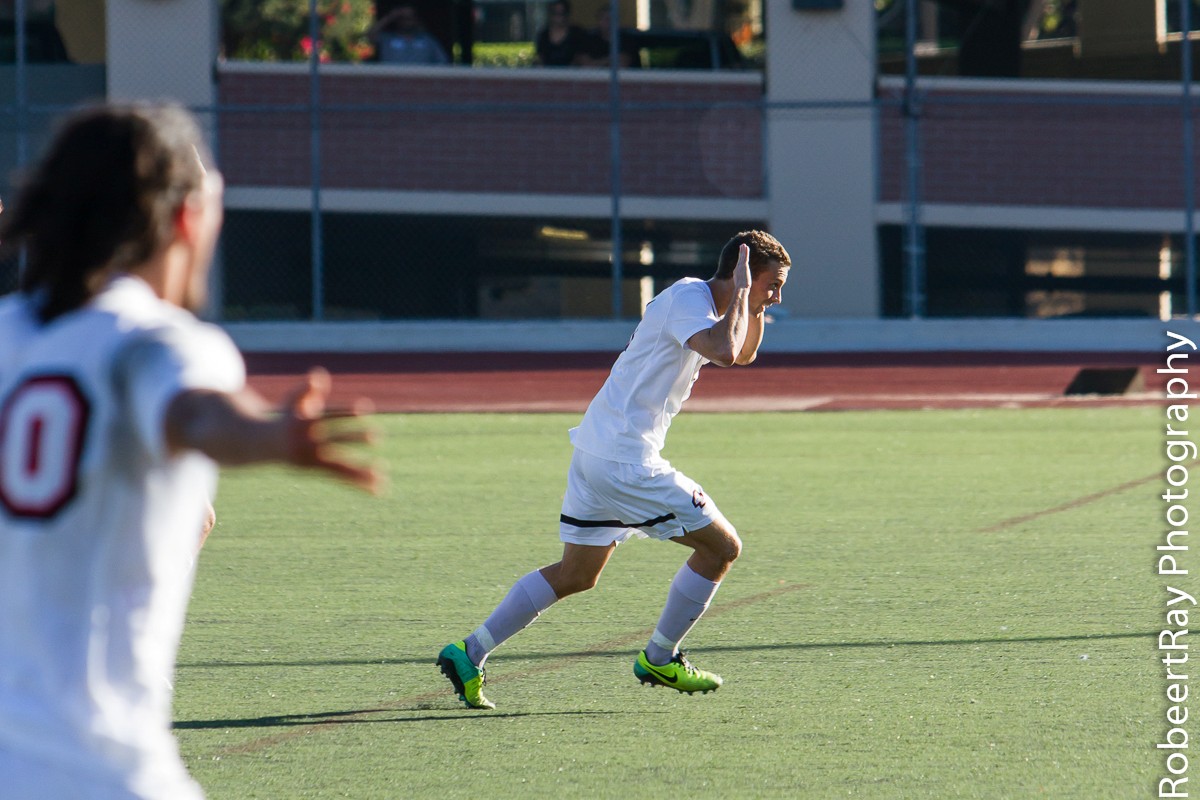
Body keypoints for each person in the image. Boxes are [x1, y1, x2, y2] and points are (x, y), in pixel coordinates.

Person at [0, 103, 379, 799]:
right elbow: (196, 415)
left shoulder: (9, 334)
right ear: (185, 219)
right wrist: (268, 436)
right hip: (99, 775)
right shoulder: (158, 341)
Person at [437, 230, 791, 709]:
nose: (778, 295)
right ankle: (660, 656)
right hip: (626, 460)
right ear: (740, 272)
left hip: (597, 452)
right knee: (722, 547)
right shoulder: (689, 296)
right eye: (774, 283)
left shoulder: (712, 306)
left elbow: (743, 353)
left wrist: (755, 304)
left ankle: (468, 651)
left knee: (576, 573)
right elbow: (726, 351)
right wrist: (746, 294)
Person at [368, 1, 449, 65]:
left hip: (421, 83)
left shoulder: (428, 40)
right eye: (403, 18)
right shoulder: (387, 38)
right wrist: (391, 16)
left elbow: (443, 63)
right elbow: (370, 35)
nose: (406, 22)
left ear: (416, 19)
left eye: (410, 18)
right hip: (392, 83)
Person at [574, 3, 641, 68]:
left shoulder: (627, 40)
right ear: (598, 21)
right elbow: (585, 65)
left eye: (612, 19)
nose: (608, 22)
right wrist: (611, 60)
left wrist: (596, 63)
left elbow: (623, 64)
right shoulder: (588, 40)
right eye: (604, 19)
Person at [535, 0, 588, 67]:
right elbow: (540, 59)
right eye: (555, 13)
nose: (558, 17)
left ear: (567, 14)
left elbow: (583, 59)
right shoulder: (543, 35)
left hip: (573, 75)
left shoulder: (577, 33)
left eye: (562, 13)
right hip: (547, 75)